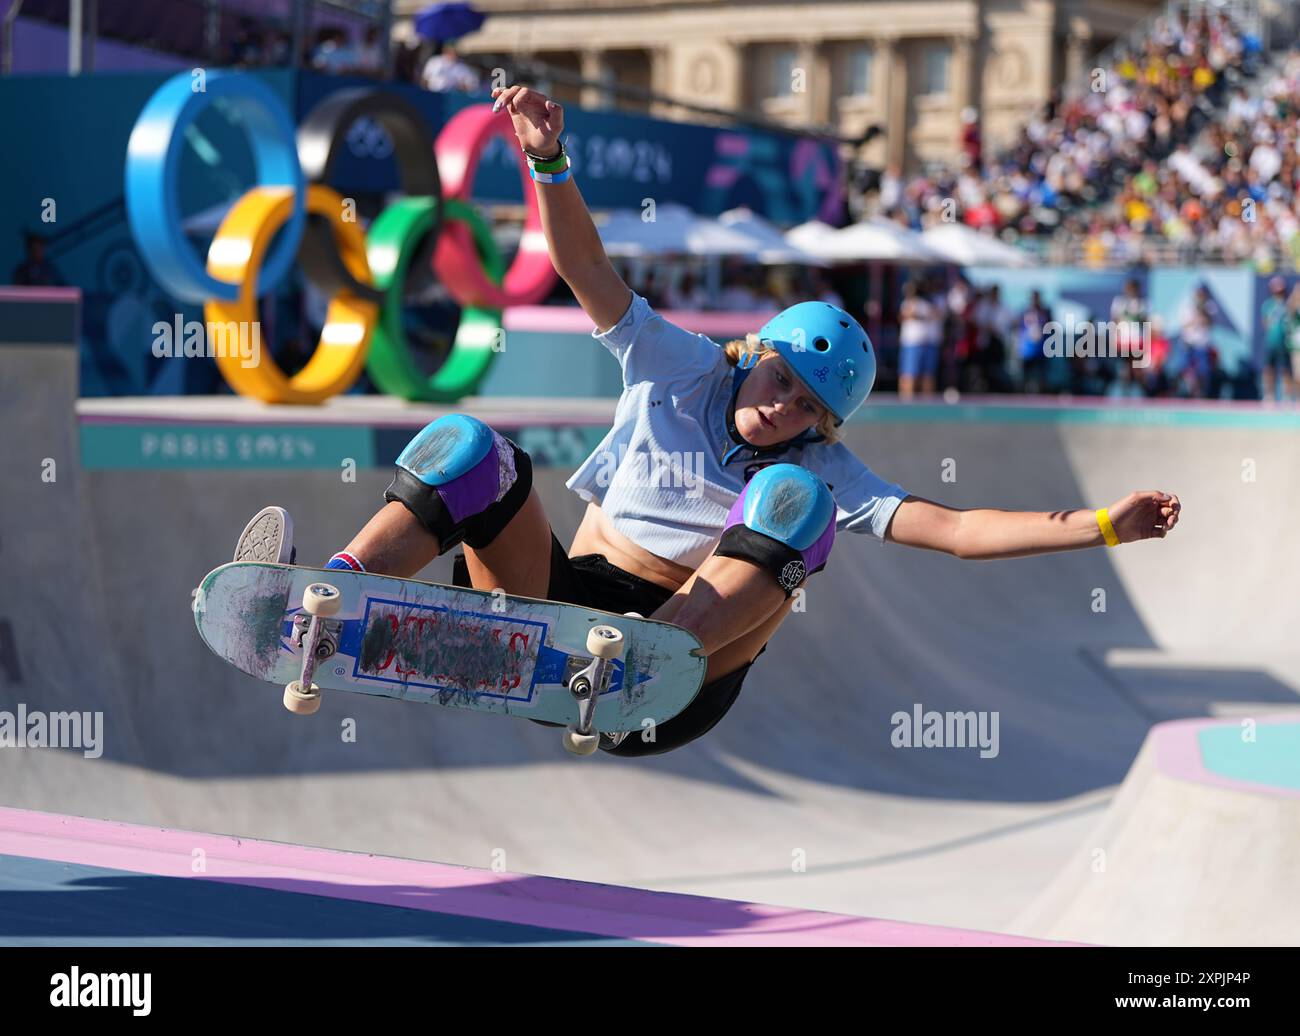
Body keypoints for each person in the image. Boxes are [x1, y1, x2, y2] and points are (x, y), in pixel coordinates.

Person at [229, 83, 1183, 759]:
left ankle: (644, 662)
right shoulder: (672, 362)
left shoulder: (817, 468)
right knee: (468, 445)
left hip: (678, 676)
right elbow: (585, 270)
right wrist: (549, 162)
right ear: (753, 351)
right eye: (781, 383)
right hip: (557, 613)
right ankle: (323, 604)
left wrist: (1104, 525)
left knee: (793, 498)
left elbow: (960, 530)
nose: (784, 410)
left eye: (809, 409)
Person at [1260, 276, 1295, 402]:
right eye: (1276, 290)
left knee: (1286, 370)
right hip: (1271, 343)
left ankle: (1287, 396)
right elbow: (1265, 323)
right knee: (1269, 369)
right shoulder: (1268, 304)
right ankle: (1269, 395)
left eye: (1280, 290)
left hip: (1284, 343)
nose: (1278, 293)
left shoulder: (1288, 304)